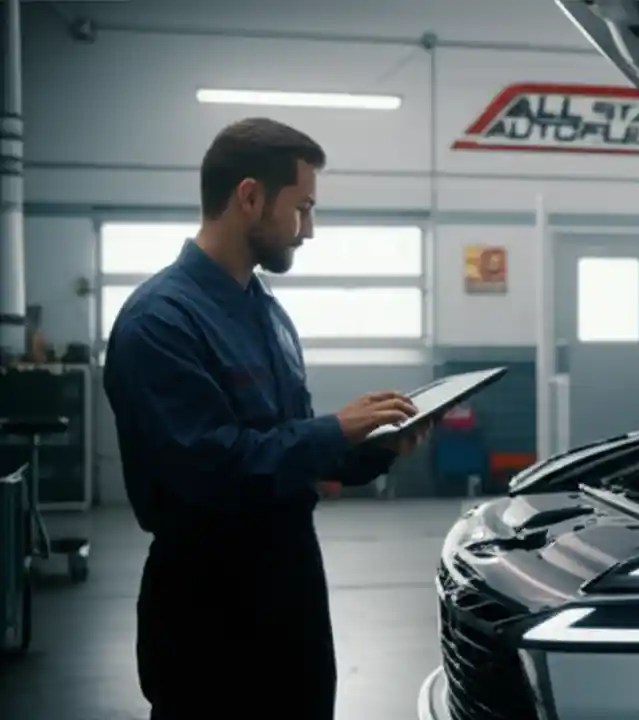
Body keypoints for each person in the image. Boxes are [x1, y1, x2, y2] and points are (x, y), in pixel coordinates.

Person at [102, 117, 429, 720]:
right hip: (209, 608)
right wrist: (335, 428)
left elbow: (290, 451)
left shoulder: (268, 313)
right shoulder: (161, 323)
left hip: (291, 588)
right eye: (302, 208)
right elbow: (212, 472)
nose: (308, 230)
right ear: (250, 197)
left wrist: (378, 444)